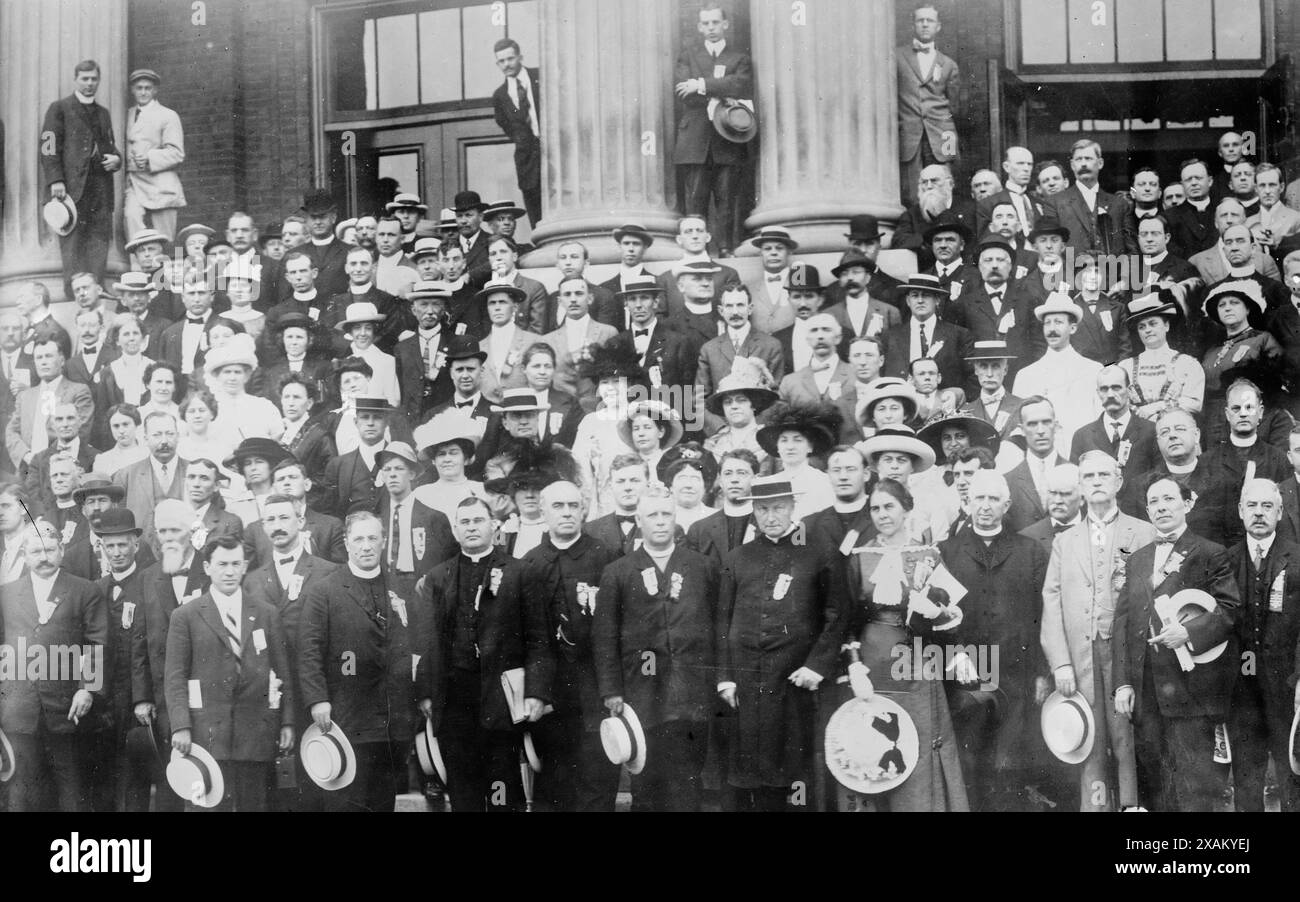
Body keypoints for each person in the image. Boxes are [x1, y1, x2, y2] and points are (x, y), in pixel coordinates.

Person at [716, 475, 846, 810]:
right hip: (745, 683)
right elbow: (721, 622)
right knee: (746, 772)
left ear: (792, 508)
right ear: (753, 512)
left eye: (778, 508)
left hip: (793, 680)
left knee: (792, 773)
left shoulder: (820, 554)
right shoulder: (736, 558)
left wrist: (816, 666)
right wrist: (725, 677)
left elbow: (838, 615)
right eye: (762, 509)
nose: (770, 516)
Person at [1113, 476, 1240, 811]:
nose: (1161, 507)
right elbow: (1124, 624)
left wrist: (1190, 632)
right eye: (1154, 502)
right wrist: (1123, 683)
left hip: (1191, 693)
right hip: (1147, 693)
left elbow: (1229, 610)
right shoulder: (1137, 559)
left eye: (1169, 499)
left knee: (1194, 790)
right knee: (1155, 788)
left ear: (1187, 504)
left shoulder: (1211, 553)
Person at [1040, 451, 1155, 811]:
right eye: (1089, 476)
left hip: (1127, 657)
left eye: (1105, 474)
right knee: (1089, 738)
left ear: (1119, 481)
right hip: (1081, 656)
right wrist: (1060, 663)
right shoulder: (1065, 541)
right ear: (1080, 487)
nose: (1097, 481)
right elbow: (1052, 604)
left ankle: (1133, 809)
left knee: (1127, 737)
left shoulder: (1144, 532)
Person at [593, 486, 718, 811]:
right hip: (642, 695)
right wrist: (611, 690)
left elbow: (717, 628)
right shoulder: (618, 572)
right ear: (639, 520)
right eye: (652, 515)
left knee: (687, 782)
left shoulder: (702, 567)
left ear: (675, 518)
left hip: (691, 694)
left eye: (666, 514)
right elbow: (604, 636)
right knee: (646, 784)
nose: (660, 522)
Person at [938, 470, 1046, 811]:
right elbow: (934, 617)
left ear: (1007, 504)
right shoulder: (945, 552)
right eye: (979, 498)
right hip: (965, 676)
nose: (985, 506)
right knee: (970, 763)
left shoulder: (1030, 552)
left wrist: (1043, 672)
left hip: (1017, 675)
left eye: (993, 499)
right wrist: (955, 657)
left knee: (1009, 766)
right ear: (967, 502)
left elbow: (1044, 616)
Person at [298, 511, 419, 812]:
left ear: (382, 542)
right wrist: (317, 700)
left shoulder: (402, 587)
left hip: (391, 721)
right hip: (346, 716)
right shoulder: (324, 591)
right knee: (346, 803)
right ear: (347, 544)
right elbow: (309, 651)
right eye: (359, 539)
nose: (366, 546)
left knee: (382, 802)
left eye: (372, 538)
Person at [512, 480, 621, 810]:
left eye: (573, 506)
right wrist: (535, 691)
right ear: (543, 511)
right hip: (550, 690)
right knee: (554, 779)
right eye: (558, 506)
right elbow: (523, 636)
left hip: (594, 685)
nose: (567, 513)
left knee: (597, 775)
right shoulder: (529, 563)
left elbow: (618, 628)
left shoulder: (607, 557)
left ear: (584, 510)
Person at [163, 534, 293, 812]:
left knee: (253, 806)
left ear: (245, 566)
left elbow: (283, 671)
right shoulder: (185, 615)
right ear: (207, 567)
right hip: (205, 732)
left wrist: (287, 723)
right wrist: (181, 726)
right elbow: (175, 678)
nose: (230, 571)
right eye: (222, 564)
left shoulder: (266, 613)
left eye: (236, 564)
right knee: (205, 807)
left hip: (254, 732)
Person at [416, 496, 524, 812]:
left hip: (499, 695)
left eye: (478, 520)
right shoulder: (438, 577)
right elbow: (427, 641)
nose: (472, 527)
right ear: (455, 529)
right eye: (465, 522)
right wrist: (425, 692)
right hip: (455, 698)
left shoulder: (518, 571)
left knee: (502, 783)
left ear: (494, 525)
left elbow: (535, 637)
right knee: (463, 787)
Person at [0, 521, 107, 811]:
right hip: (19, 709)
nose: (43, 557)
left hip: (67, 708)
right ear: (24, 555)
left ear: (61, 551)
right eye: (35, 551)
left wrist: (87, 690)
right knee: (21, 790)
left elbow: (97, 644)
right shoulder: (6, 593)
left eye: (49, 549)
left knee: (71, 788)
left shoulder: (86, 591)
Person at [1224, 478, 1300, 811]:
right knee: (1247, 777)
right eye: (1252, 506)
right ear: (1241, 511)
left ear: (1280, 512)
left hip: (1286, 686)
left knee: (1292, 773)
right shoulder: (1224, 561)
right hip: (1241, 688)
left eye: (1267, 506)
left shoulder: (1297, 559)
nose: (1259, 513)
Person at [672, 4, 753, 256]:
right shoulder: (687, 56)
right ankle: (697, 251)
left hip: (727, 137)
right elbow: (684, 94)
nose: (711, 28)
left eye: (715, 23)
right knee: (695, 198)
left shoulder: (739, 58)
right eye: (705, 24)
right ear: (699, 27)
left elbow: (740, 85)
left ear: (725, 25)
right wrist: (719, 90)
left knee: (726, 199)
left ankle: (726, 249)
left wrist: (701, 84)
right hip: (695, 138)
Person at [41, 60, 122, 293]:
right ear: (75, 79)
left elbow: (110, 145)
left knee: (98, 239)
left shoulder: (104, 113)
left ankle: (96, 290)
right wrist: (56, 179)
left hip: (100, 187)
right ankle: (74, 293)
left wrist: (117, 159)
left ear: (99, 80)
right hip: (71, 188)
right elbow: (48, 146)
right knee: (72, 240)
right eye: (85, 79)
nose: (89, 84)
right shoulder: (60, 108)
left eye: (94, 79)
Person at [1011, 292, 1103, 453]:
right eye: (1047, 323)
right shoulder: (1026, 376)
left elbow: (1101, 425)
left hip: (1082, 457)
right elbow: (1019, 429)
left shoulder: (1093, 370)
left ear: (1072, 328)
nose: (1052, 329)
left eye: (1059, 322)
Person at [1200, 280, 1283, 446]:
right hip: (1212, 421)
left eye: (1234, 303)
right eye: (1222, 305)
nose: (1227, 308)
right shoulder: (1211, 351)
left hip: (1247, 416)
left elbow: (1275, 382)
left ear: (1248, 308)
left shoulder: (1262, 339)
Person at [896, 6, 960, 206]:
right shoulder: (897, 57)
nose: (925, 24)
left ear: (938, 26)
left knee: (944, 186)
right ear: (913, 24)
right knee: (911, 191)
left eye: (929, 21)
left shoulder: (948, 64)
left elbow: (955, 108)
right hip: (909, 133)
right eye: (920, 20)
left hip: (943, 135)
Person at [5, 336, 94, 476]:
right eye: (39, 358)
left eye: (49, 356)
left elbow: (81, 429)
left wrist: (54, 459)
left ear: (62, 360)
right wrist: (27, 455)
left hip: (63, 469)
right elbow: (11, 432)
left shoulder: (78, 391)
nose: (44, 362)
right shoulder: (25, 396)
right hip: (28, 470)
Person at [1118, 292, 1204, 421]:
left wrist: (1157, 407)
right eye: (1142, 327)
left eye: (1153, 324)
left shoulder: (1187, 363)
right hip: (1138, 432)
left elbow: (1195, 403)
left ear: (1166, 326)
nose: (1147, 330)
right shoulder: (1126, 366)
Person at [122, 68, 185, 240]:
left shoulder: (168, 115)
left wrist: (150, 157)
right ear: (132, 90)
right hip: (134, 182)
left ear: (155, 90)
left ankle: (164, 267)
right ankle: (137, 266)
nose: (143, 92)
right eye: (139, 88)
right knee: (131, 217)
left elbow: (177, 153)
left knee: (165, 238)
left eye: (147, 88)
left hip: (161, 184)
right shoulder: (125, 115)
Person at [882, 274, 972, 390]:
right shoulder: (890, 336)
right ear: (908, 301)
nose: (920, 301)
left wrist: (956, 397)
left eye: (926, 296)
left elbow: (971, 376)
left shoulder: (958, 335)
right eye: (915, 295)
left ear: (937, 300)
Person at [1070, 365, 1161, 478]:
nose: (1110, 395)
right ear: (1098, 392)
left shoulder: (1151, 431)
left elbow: (1160, 479)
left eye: (1116, 388)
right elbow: (1076, 482)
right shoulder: (1082, 436)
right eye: (1104, 389)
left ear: (1129, 390)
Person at [543, 278, 619, 407]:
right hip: (561, 408)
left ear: (590, 298)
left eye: (579, 293)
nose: (573, 299)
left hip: (598, 407)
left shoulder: (608, 333)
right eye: (567, 294)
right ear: (560, 301)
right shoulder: (547, 340)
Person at [755, 401, 836, 519]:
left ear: (810, 447)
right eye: (784, 440)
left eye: (797, 440)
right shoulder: (766, 483)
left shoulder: (825, 482)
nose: (790, 447)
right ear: (777, 446)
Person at [491, 39, 541, 226]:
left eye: (510, 59)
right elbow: (508, 127)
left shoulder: (542, 76)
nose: (506, 65)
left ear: (520, 57)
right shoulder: (500, 96)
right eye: (501, 61)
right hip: (528, 161)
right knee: (536, 214)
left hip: (556, 153)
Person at [1003, 397, 1070, 533]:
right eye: (1032, 424)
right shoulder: (1007, 482)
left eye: (1046, 422)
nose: (1040, 430)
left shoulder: (1075, 474)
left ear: (1056, 425)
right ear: (1021, 429)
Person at [685, 448, 759, 571]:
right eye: (728, 473)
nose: (734, 479)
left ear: (756, 478)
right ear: (720, 480)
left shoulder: (768, 526)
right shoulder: (699, 530)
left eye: (742, 473)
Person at [746, 227, 799, 335]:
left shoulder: (799, 284)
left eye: (779, 248)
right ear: (760, 253)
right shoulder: (749, 289)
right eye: (767, 249)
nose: (773, 253)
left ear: (789, 252)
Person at [93, 403, 149, 476]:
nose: (121, 431)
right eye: (116, 426)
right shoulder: (102, 460)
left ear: (136, 425)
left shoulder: (149, 454)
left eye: (125, 424)